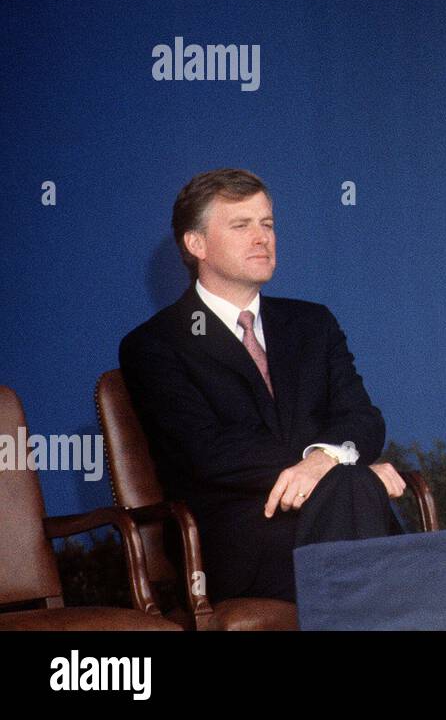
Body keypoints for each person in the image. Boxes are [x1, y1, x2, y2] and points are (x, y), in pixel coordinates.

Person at [119, 168, 408, 604]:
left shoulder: (313, 324)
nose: (262, 237)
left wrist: (323, 461)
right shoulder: (156, 344)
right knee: (362, 503)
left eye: (267, 224)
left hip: (338, 515)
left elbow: (362, 419)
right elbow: (208, 451)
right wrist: (338, 466)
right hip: (239, 540)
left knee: (350, 499)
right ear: (196, 244)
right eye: (241, 225)